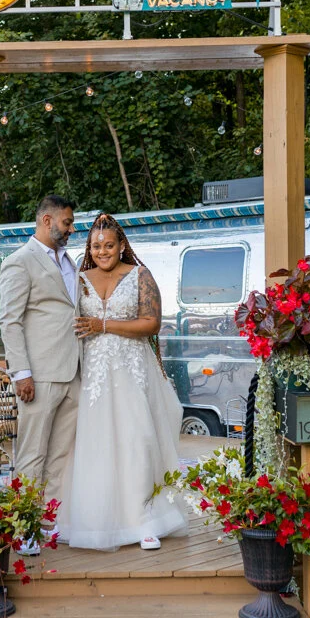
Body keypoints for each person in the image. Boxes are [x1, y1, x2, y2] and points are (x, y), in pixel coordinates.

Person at [61, 213, 188, 551]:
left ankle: (143, 519)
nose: (102, 251)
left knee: (138, 439)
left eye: (109, 245)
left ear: (121, 247)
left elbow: (152, 323)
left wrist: (104, 325)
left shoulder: (139, 276)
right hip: (92, 372)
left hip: (132, 369)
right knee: (93, 443)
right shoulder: (78, 278)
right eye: (96, 246)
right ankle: (93, 519)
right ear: (89, 248)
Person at [0, 195, 79, 554]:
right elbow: (9, 321)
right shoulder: (20, 262)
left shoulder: (70, 262)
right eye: (66, 222)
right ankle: (22, 527)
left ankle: (48, 523)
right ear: (47, 220)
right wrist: (21, 373)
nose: (71, 228)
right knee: (31, 454)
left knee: (61, 455)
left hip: (73, 370)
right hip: (39, 374)